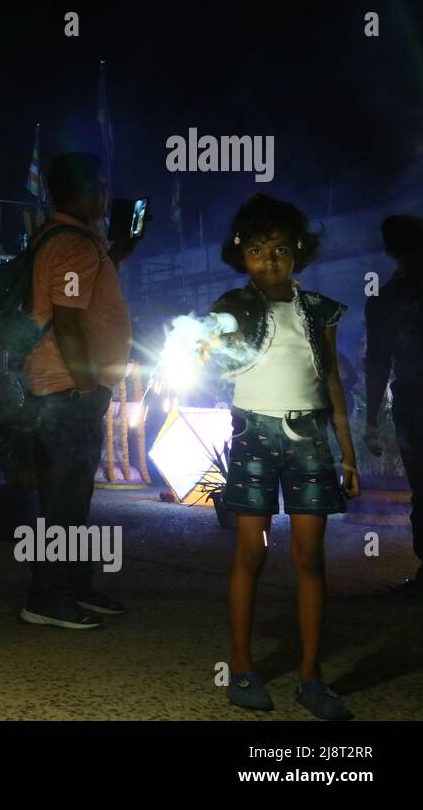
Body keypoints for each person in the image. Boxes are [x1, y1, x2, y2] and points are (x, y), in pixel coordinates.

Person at [210, 192, 357, 720]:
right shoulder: (232, 306)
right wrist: (207, 345)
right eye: (256, 250)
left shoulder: (319, 310)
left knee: (309, 557)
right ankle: (243, 668)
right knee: (251, 551)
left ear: (297, 250)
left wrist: (348, 452)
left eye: (278, 249)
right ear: (240, 254)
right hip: (252, 434)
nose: (268, 261)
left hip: (309, 437)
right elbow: (215, 348)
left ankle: (312, 678)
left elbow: (332, 380)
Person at [20, 153, 137, 628]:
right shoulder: (72, 245)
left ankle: (74, 584)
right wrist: (88, 386)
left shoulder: (72, 240)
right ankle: (46, 598)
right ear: (85, 189)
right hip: (68, 390)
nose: (107, 195)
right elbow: (67, 322)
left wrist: (117, 254)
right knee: (63, 502)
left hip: (68, 389)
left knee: (71, 499)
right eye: (102, 185)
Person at [364, 213, 423, 592]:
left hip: (414, 404)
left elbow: (378, 361)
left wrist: (371, 419)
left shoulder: (386, 298)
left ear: (389, 250)